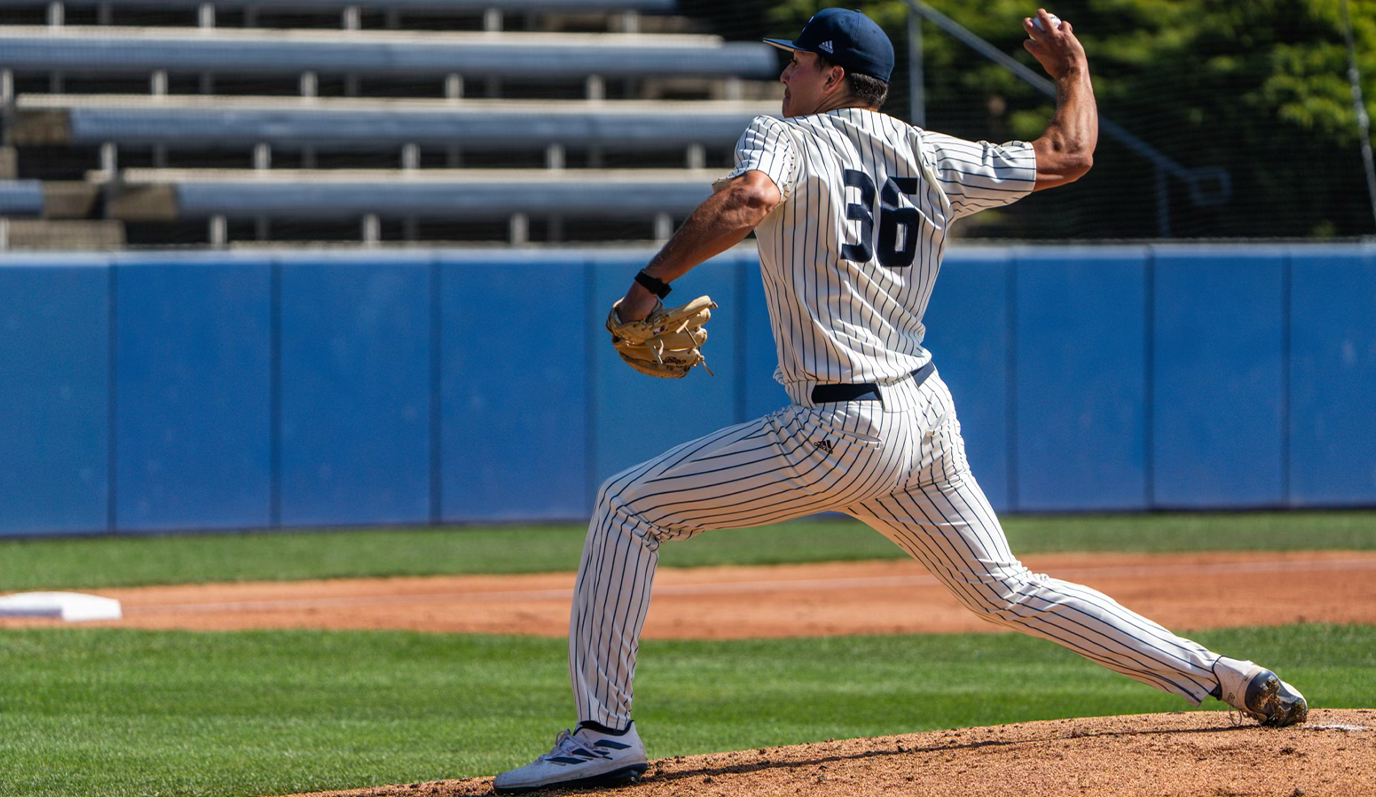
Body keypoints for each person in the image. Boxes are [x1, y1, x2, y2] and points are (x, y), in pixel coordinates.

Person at [492, 7, 1307, 793]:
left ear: (833, 76)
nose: (784, 75)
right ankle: (1227, 674)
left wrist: (646, 288)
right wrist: (1074, 72)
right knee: (1007, 588)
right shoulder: (930, 153)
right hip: (921, 418)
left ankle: (602, 735)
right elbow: (1069, 154)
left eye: (797, 61)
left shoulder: (787, 135)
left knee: (628, 507)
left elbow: (750, 198)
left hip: (839, 425)